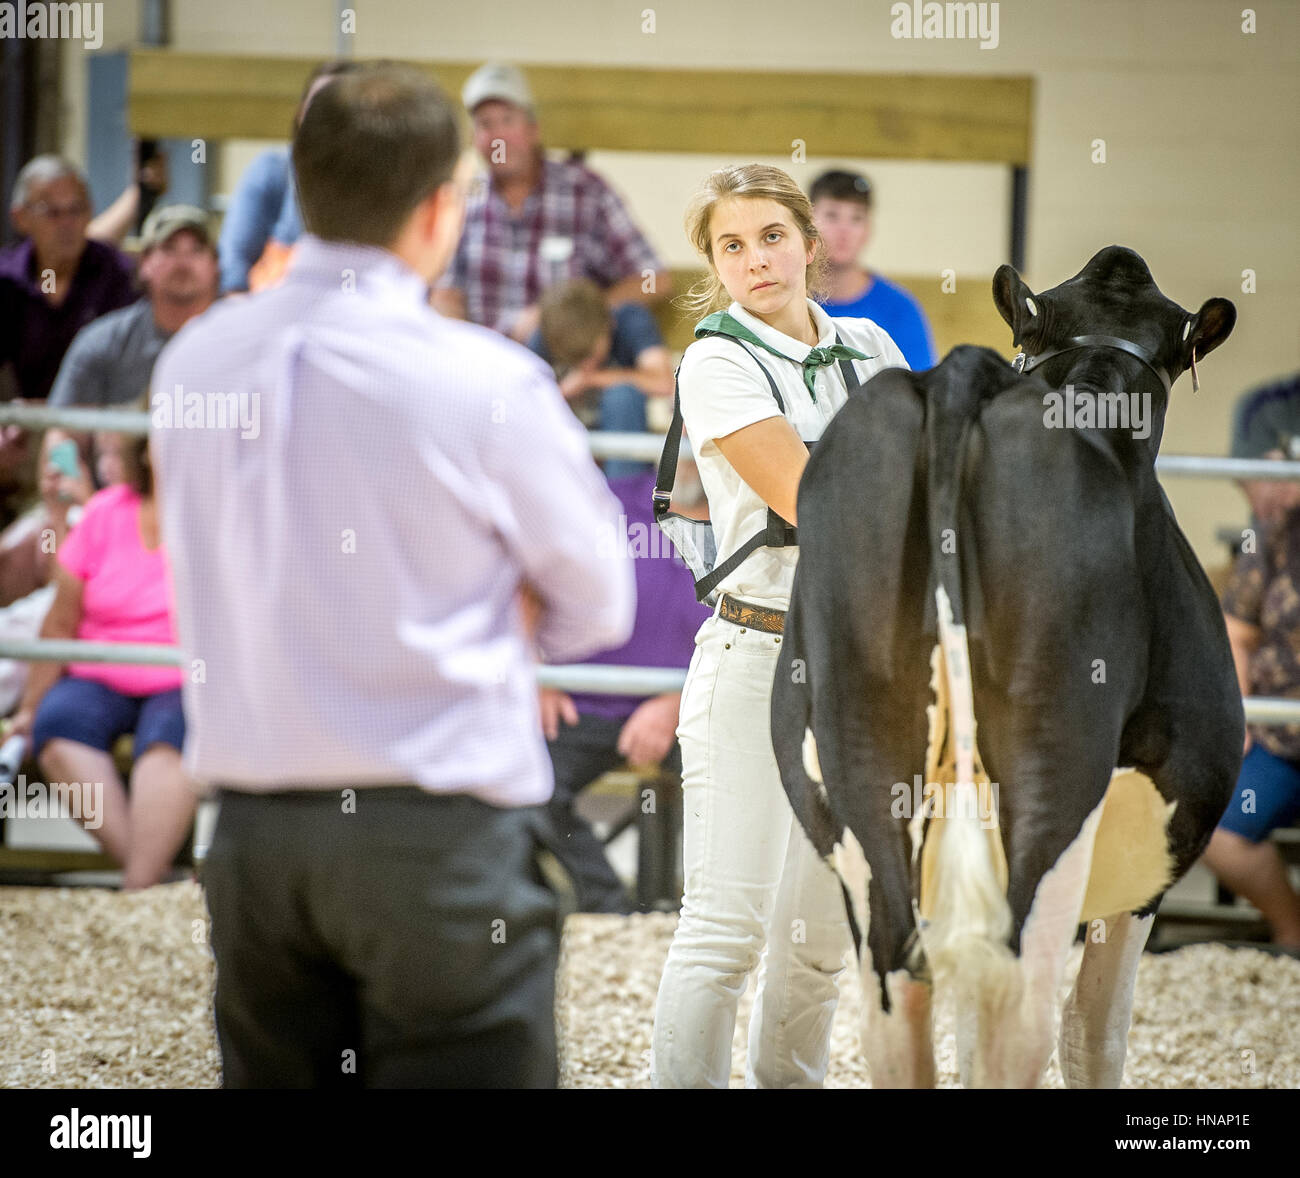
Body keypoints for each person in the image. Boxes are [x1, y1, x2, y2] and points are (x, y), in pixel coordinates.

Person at [150, 63, 635, 1088]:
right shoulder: (487, 381)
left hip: (251, 832)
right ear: (438, 211)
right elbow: (600, 600)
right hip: (437, 837)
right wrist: (502, 602)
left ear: (302, 187)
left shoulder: (193, 363)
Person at [650, 163, 910, 1088]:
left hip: (863, 666)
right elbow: (810, 498)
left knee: (816, 940)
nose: (755, 260)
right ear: (715, 267)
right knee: (724, 931)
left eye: (770, 236)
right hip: (758, 653)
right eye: (731, 245)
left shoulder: (876, 344)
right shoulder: (715, 358)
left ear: (811, 242)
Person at [5, 425, 194, 889]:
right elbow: (59, 622)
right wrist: (30, 707)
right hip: (97, 672)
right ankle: (148, 882)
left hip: (180, 676)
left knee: (172, 736)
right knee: (59, 724)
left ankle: (140, 884)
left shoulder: (211, 517)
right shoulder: (105, 513)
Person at [536, 463, 709, 912]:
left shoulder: (747, 518)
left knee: (742, 785)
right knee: (532, 786)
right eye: (682, 419)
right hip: (577, 701)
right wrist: (538, 671)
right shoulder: (603, 500)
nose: (692, 444)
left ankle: (716, 919)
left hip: (694, 707)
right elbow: (526, 575)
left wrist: (676, 701)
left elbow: (762, 630)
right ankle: (610, 912)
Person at [432, 62, 672, 343]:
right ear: (475, 139)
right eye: (486, 124)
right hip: (486, 367)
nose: (498, 136)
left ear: (533, 129)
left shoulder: (585, 191)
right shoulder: (462, 199)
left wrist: (568, 319)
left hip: (563, 368)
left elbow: (654, 280)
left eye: (508, 120)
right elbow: (444, 293)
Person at [1202, 374, 1300, 948]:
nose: (1255, 491)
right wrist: (1235, 718)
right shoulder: (1270, 535)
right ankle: (1293, 937)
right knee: (1219, 829)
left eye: (1265, 471)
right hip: (1281, 739)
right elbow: (1236, 632)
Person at [48, 205, 219, 408]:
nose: (183, 262)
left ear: (216, 264)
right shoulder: (102, 342)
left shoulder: (241, 340)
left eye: (197, 249)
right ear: (144, 262)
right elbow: (61, 431)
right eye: (169, 248)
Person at [216, 60, 364, 294]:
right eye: (319, 104)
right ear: (301, 112)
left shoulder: (378, 184)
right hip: (271, 311)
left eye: (342, 105)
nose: (329, 117)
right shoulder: (272, 171)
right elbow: (233, 267)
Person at [529, 277, 673, 479]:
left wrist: (590, 379)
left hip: (622, 445)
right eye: (574, 357)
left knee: (622, 395)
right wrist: (561, 393)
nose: (586, 365)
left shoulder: (629, 318)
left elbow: (664, 383)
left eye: (591, 355)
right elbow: (526, 406)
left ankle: (623, 499)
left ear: (609, 324)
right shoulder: (545, 335)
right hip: (568, 452)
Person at [809, 168, 936, 372]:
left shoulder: (900, 309)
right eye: (832, 215)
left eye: (856, 218)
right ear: (809, 223)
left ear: (868, 229)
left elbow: (920, 391)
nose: (844, 230)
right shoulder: (786, 302)